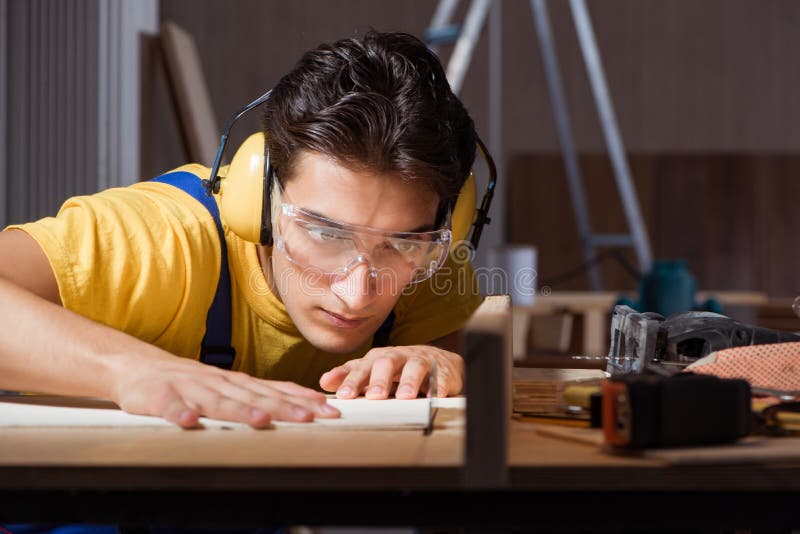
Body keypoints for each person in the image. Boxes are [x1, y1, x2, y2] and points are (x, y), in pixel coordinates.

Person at [0, 31, 486, 429]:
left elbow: (462, 339)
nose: (357, 292)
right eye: (326, 234)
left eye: (397, 244)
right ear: (259, 199)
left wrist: (443, 359)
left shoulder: (425, 254)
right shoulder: (162, 240)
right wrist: (133, 368)